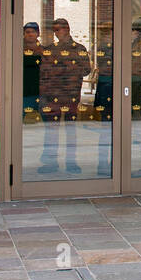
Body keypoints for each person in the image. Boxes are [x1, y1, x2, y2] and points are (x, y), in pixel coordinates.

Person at [38, 17, 90, 174]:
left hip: (71, 96)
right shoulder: (49, 49)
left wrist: (64, 69)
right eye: (54, 30)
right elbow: (44, 73)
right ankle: (50, 163)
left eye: (58, 29)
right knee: (51, 132)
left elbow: (86, 70)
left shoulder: (79, 48)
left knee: (70, 131)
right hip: (52, 96)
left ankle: (71, 162)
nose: (56, 33)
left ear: (67, 29)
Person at [21, 21, 41, 123]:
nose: (30, 34)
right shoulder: (16, 50)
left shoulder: (44, 51)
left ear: (38, 33)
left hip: (40, 92)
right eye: (27, 32)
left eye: (33, 31)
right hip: (22, 92)